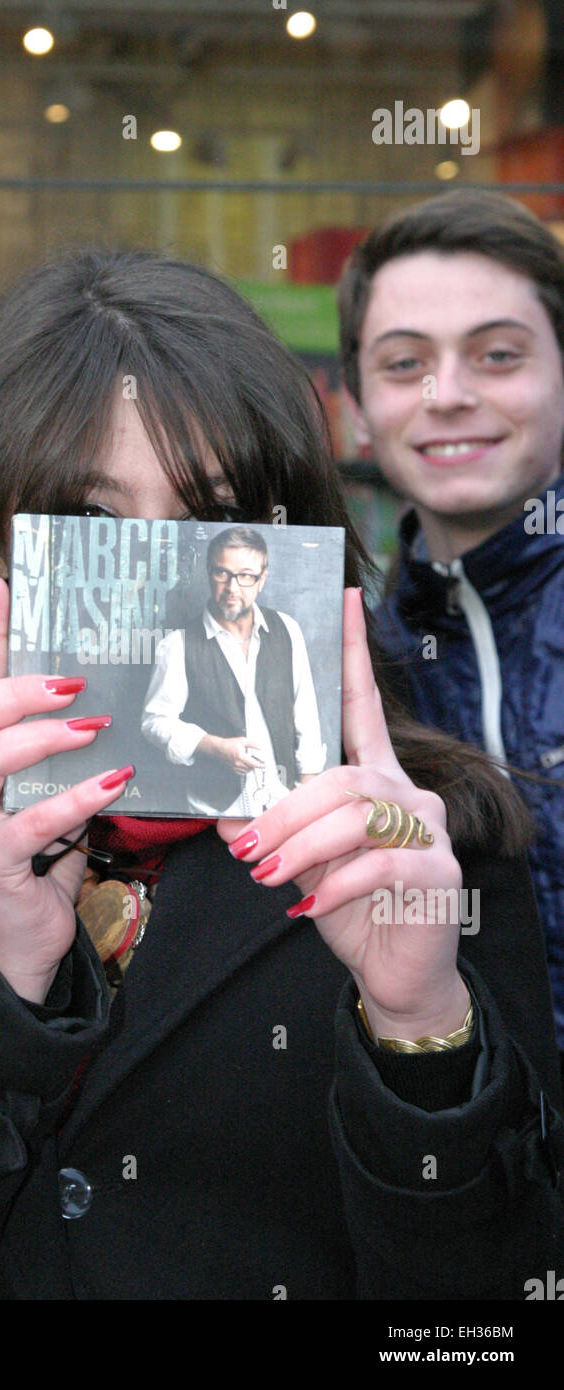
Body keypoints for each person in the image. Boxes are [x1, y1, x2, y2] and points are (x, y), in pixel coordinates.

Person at [0, 248, 562, 1301]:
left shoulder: (423, 838)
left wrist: (420, 1026)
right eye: (91, 525)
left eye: (209, 522)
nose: (158, 587)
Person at [337, 188, 564, 1074]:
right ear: (356, 404)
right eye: (403, 365)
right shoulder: (359, 671)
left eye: (498, 355)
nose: (450, 395)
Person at [141, 525, 326, 814]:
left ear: (262, 580)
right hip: (214, 809)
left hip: (283, 799)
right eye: (221, 573)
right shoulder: (177, 644)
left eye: (246, 576)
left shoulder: (287, 629)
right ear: (209, 574)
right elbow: (154, 721)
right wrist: (213, 746)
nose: (232, 588)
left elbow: (305, 711)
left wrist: (307, 788)